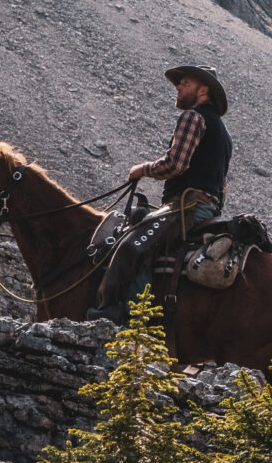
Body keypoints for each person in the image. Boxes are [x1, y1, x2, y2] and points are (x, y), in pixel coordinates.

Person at [88, 64, 232, 320]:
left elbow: (175, 164)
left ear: (203, 89)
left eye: (185, 83)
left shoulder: (193, 117)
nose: (178, 87)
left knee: (131, 247)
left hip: (186, 208)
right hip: (209, 211)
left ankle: (126, 318)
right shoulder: (224, 133)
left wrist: (140, 170)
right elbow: (222, 185)